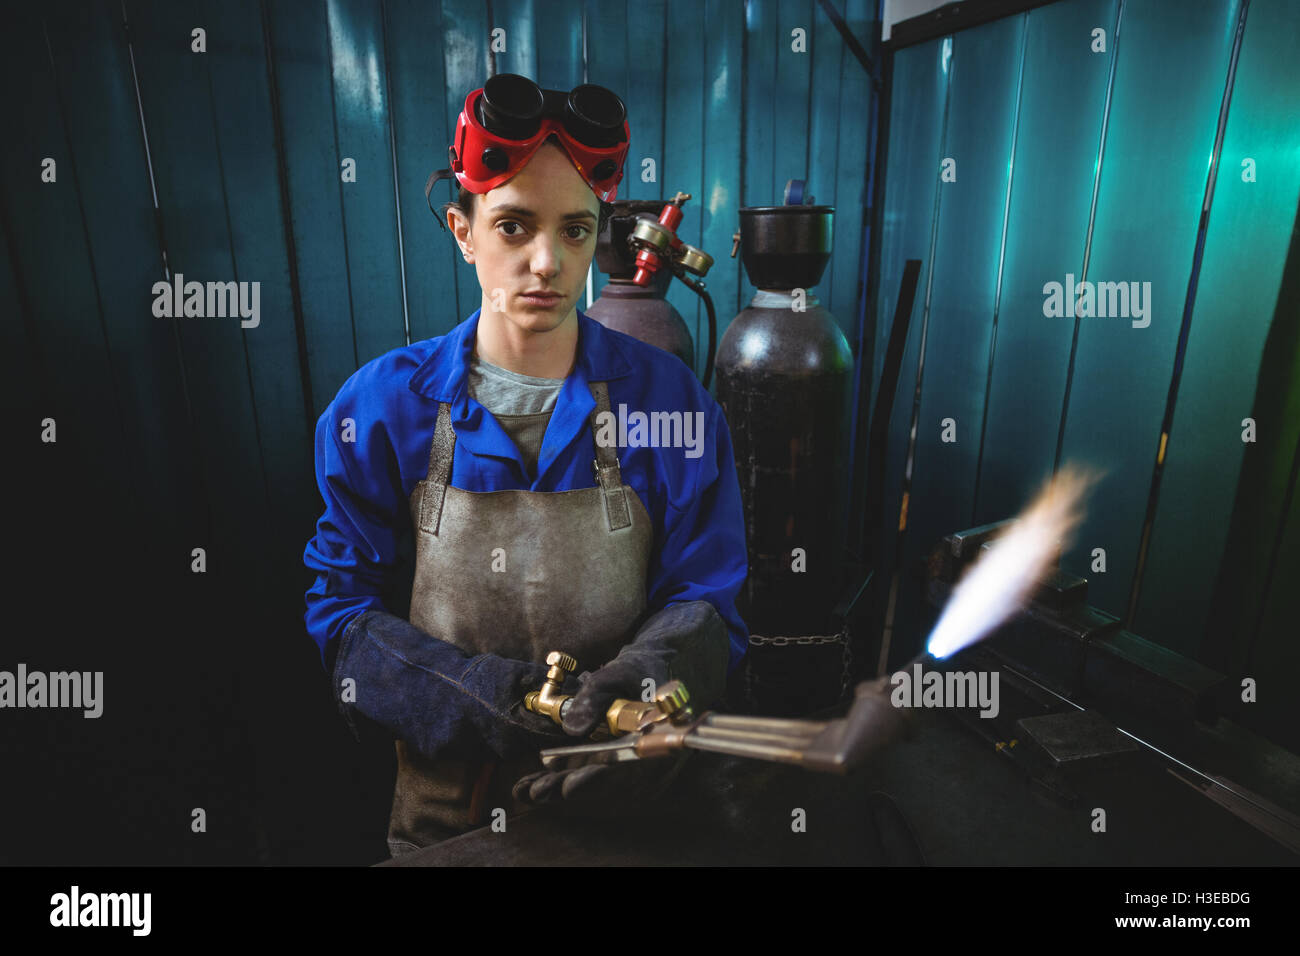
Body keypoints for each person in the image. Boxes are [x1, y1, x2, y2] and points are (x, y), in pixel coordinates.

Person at [302, 76, 749, 858]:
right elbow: (344, 617)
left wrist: (648, 680)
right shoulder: (380, 409)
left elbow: (708, 599)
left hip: (628, 806)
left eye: (575, 230)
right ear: (463, 231)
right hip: (453, 822)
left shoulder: (669, 404)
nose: (547, 261)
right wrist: (473, 696)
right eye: (513, 225)